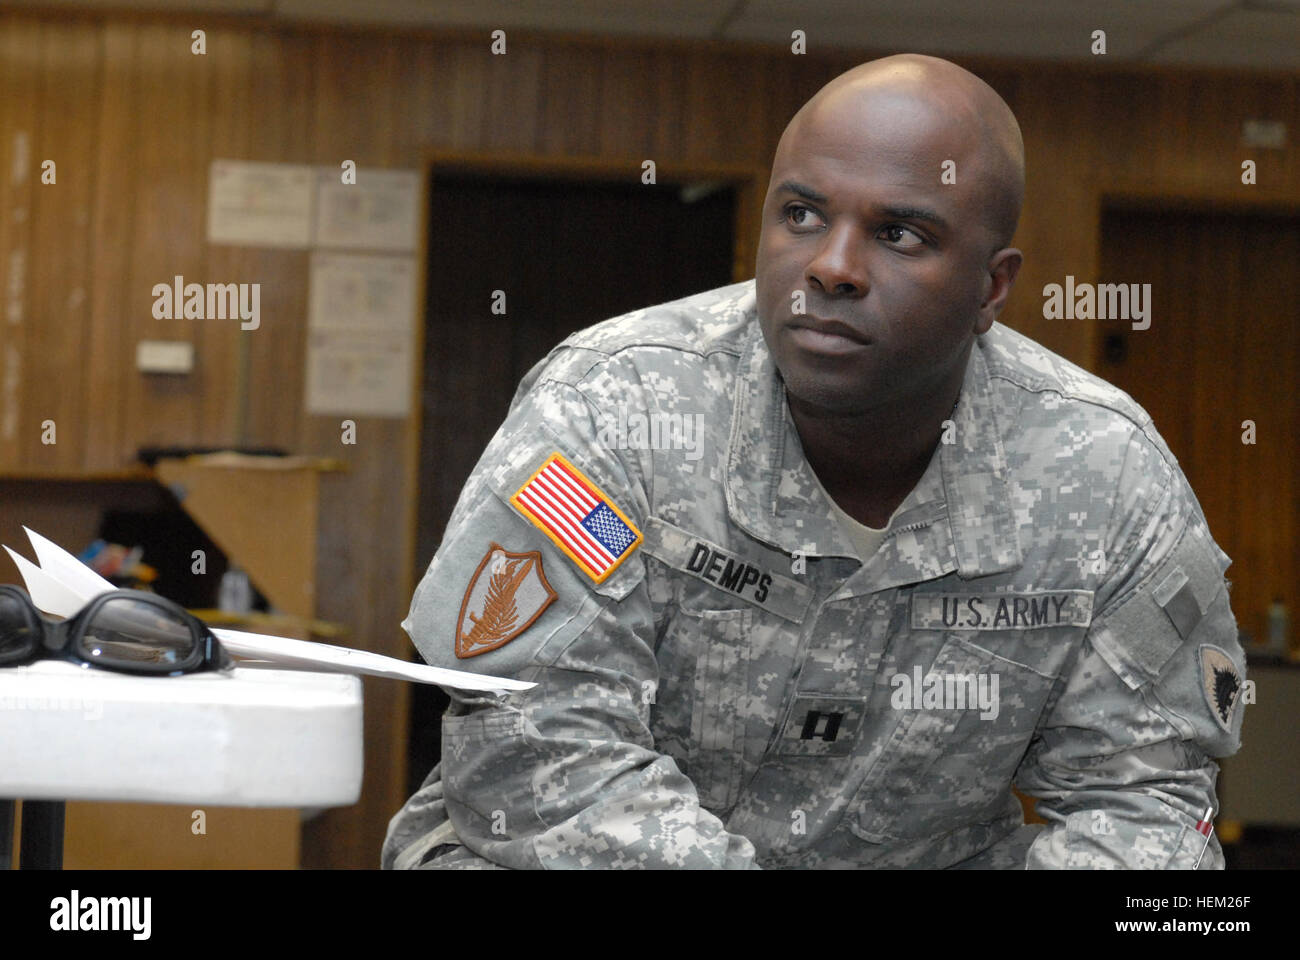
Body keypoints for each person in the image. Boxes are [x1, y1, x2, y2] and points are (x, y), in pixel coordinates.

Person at [381, 53, 1246, 869]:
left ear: (991, 286)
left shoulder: (1103, 475)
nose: (830, 267)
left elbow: (1144, 802)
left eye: (899, 233)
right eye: (801, 214)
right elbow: (534, 734)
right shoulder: (620, 406)